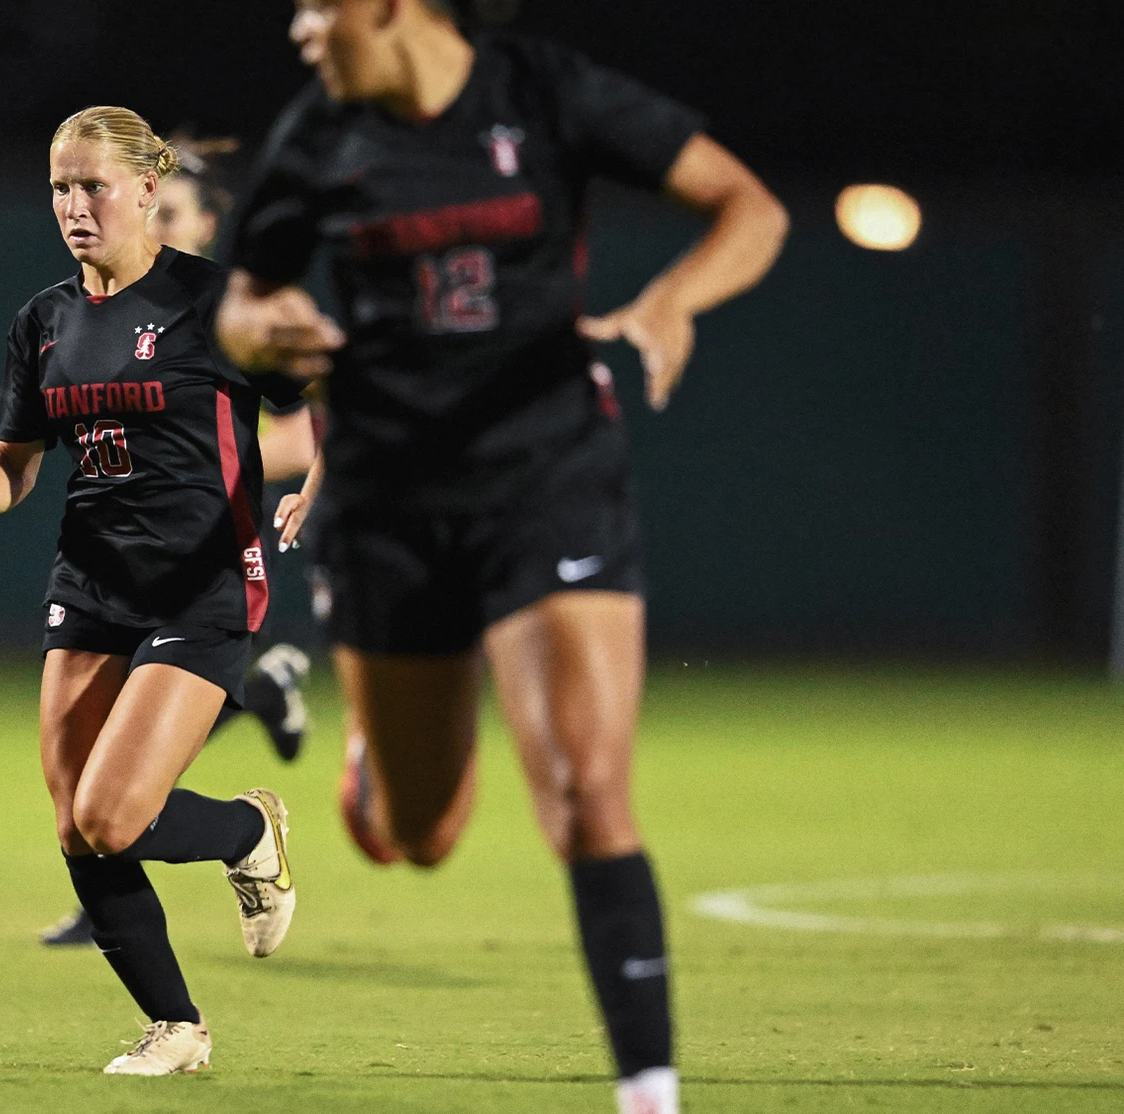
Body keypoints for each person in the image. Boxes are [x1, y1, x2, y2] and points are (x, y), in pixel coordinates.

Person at [218, 2, 788, 1111]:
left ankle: (649, 1090)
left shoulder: (544, 93)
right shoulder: (319, 135)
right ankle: (379, 769)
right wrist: (264, 330)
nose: (299, 26)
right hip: (389, 500)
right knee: (419, 834)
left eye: (318, 4)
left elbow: (748, 207)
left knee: (583, 794)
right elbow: (242, 302)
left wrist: (674, 297)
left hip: (547, 477)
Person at [0, 106, 305, 1076]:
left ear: (149, 188)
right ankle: (176, 1026)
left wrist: (325, 481)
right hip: (91, 580)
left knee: (112, 816)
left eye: (92, 185)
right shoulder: (44, 320)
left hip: (204, 582)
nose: (73, 205)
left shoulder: (217, 301)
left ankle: (246, 828)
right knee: (75, 822)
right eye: (59, 186)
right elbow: (16, 471)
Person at [38, 134, 317, 949]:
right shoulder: (85, 316)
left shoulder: (223, 309)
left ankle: (229, 831)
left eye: (180, 209)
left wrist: (196, 460)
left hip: (208, 565)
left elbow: (306, 424)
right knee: (90, 798)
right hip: (110, 571)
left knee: (119, 789)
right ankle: (256, 708)